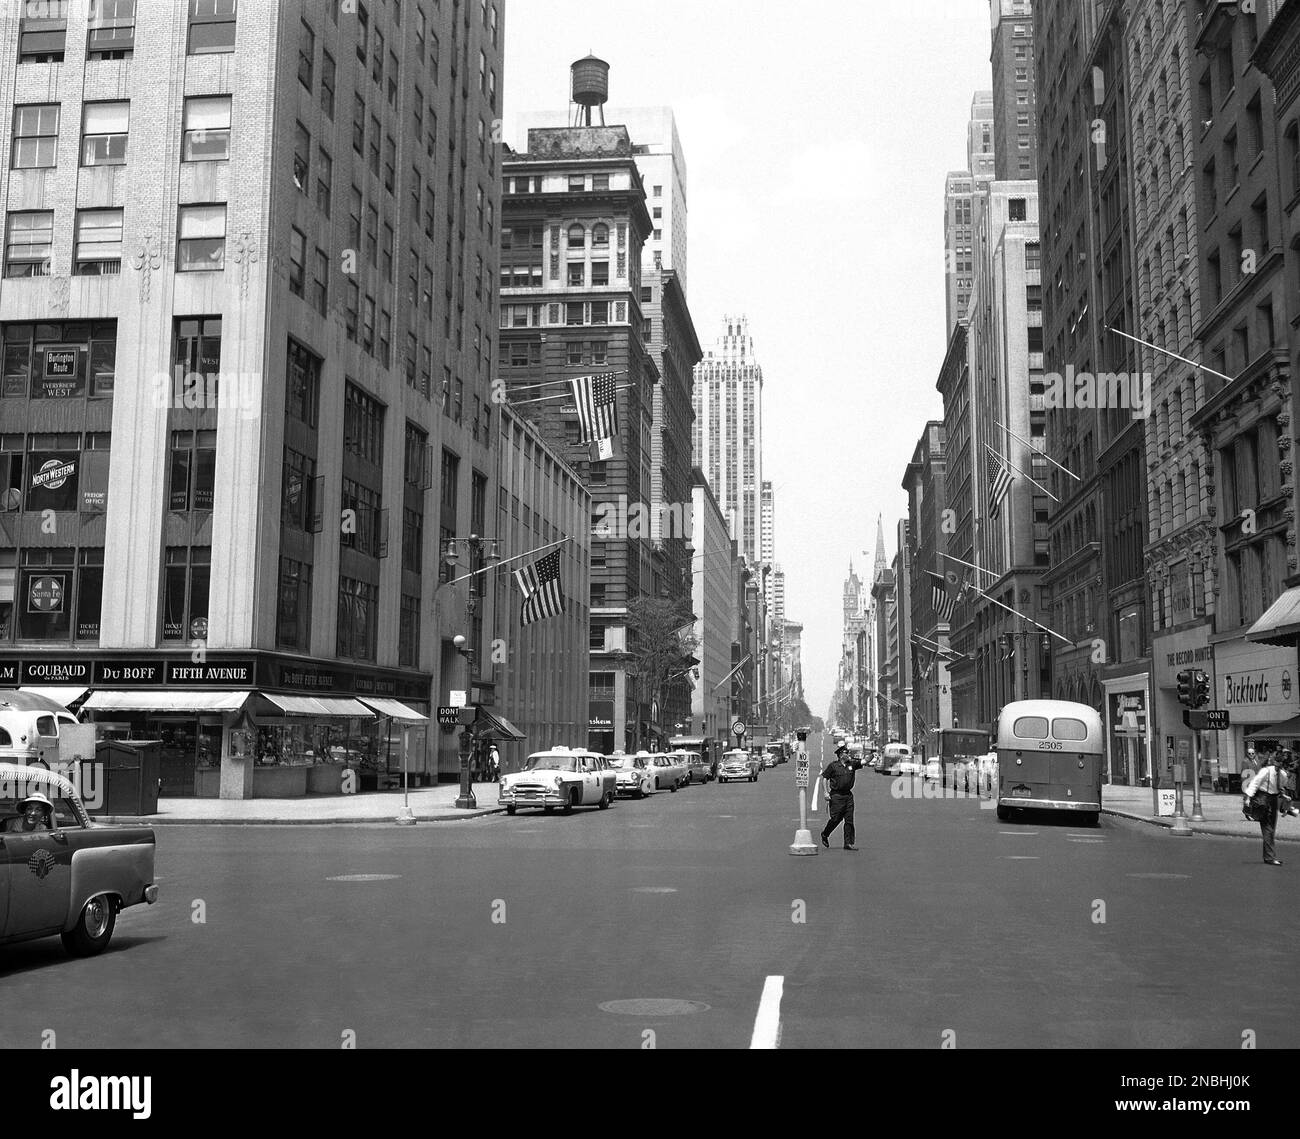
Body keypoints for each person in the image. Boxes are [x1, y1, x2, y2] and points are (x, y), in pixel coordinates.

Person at [1243, 754, 1298, 866]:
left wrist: (1284, 796)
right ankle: (1269, 857)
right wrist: (1248, 798)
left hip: (1273, 800)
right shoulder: (1266, 771)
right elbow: (1255, 783)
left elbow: (1281, 787)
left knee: (1271, 828)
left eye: (1281, 764)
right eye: (1277, 763)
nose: (1279, 765)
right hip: (1263, 798)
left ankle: (1268, 856)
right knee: (1268, 829)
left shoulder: (1282, 774)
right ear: (1274, 762)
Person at [820, 741, 864, 851]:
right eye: (846, 753)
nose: (848, 754)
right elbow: (825, 778)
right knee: (835, 819)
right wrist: (825, 792)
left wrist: (872, 757)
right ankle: (825, 834)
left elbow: (864, 761)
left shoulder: (852, 764)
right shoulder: (833, 766)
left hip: (848, 796)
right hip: (836, 796)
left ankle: (848, 843)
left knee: (849, 820)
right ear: (841, 755)